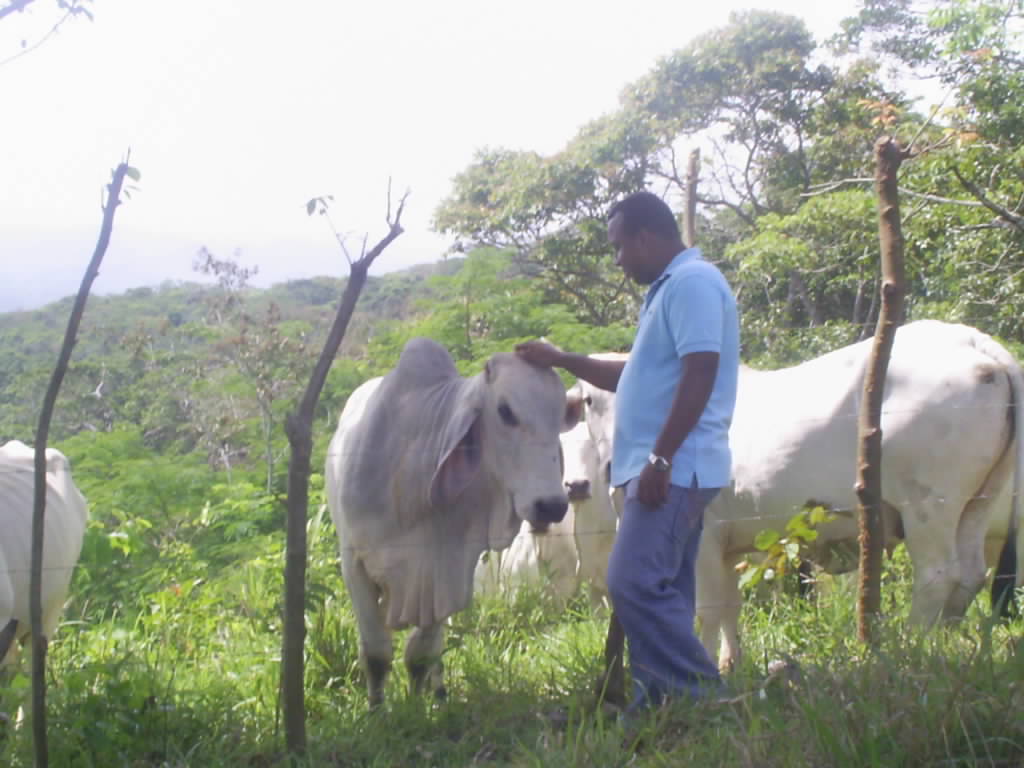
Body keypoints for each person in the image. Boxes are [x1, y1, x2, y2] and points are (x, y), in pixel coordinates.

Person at [516, 190, 739, 714]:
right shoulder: (666, 290)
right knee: (667, 588)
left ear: (646, 236)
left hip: (674, 467)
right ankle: (660, 704)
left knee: (631, 581)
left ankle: (705, 700)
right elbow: (632, 375)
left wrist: (661, 458)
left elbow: (700, 372)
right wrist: (564, 358)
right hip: (666, 465)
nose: (618, 261)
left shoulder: (692, 284)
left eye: (619, 248)